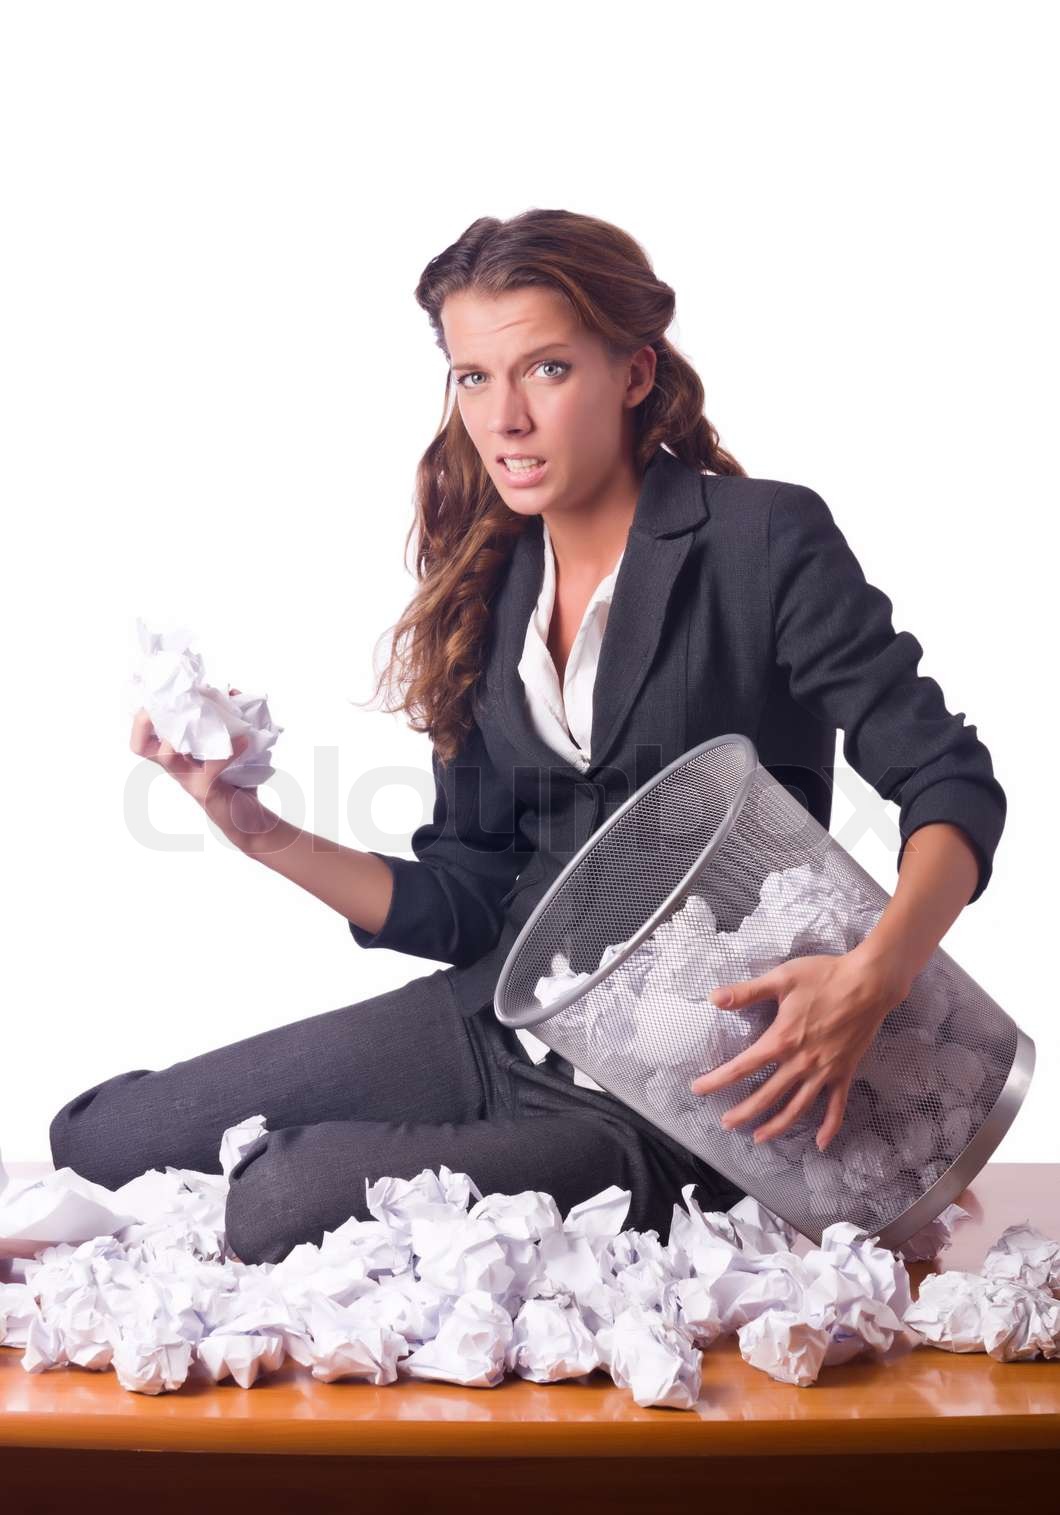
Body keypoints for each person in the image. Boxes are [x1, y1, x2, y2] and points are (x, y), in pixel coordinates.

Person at [48, 208, 1006, 1265]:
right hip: (500, 1023)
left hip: (684, 1098)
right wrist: (255, 829)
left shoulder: (760, 540)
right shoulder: (486, 588)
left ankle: (489, 1175)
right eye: (471, 377)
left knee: (277, 1199)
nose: (503, 417)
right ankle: (425, 1152)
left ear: (633, 374)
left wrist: (873, 975)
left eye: (544, 369)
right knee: (98, 1142)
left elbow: (946, 779)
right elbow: (466, 897)